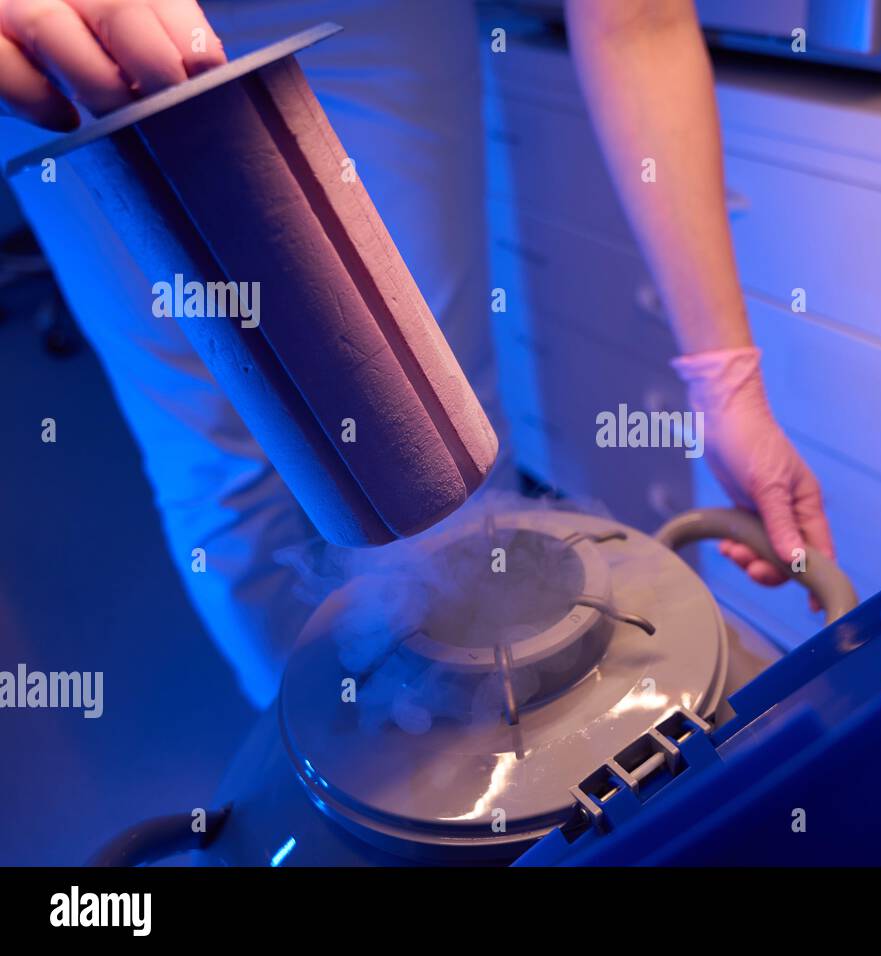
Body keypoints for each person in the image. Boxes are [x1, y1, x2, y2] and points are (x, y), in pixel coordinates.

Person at [0, 0, 833, 707]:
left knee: (434, 416)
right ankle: (345, 783)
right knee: (222, 465)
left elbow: (636, 19)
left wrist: (729, 386)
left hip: (361, 18)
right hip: (73, 46)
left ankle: (502, 745)